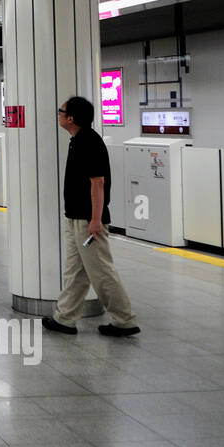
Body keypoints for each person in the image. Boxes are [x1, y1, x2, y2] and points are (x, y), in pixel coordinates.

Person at [43, 96, 142, 338]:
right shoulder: (77, 140)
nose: (58, 114)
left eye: (61, 111)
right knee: (76, 272)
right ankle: (65, 318)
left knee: (101, 272)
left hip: (88, 221)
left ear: (71, 118)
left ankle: (125, 320)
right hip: (77, 218)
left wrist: (95, 220)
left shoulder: (89, 141)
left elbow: (97, 183)